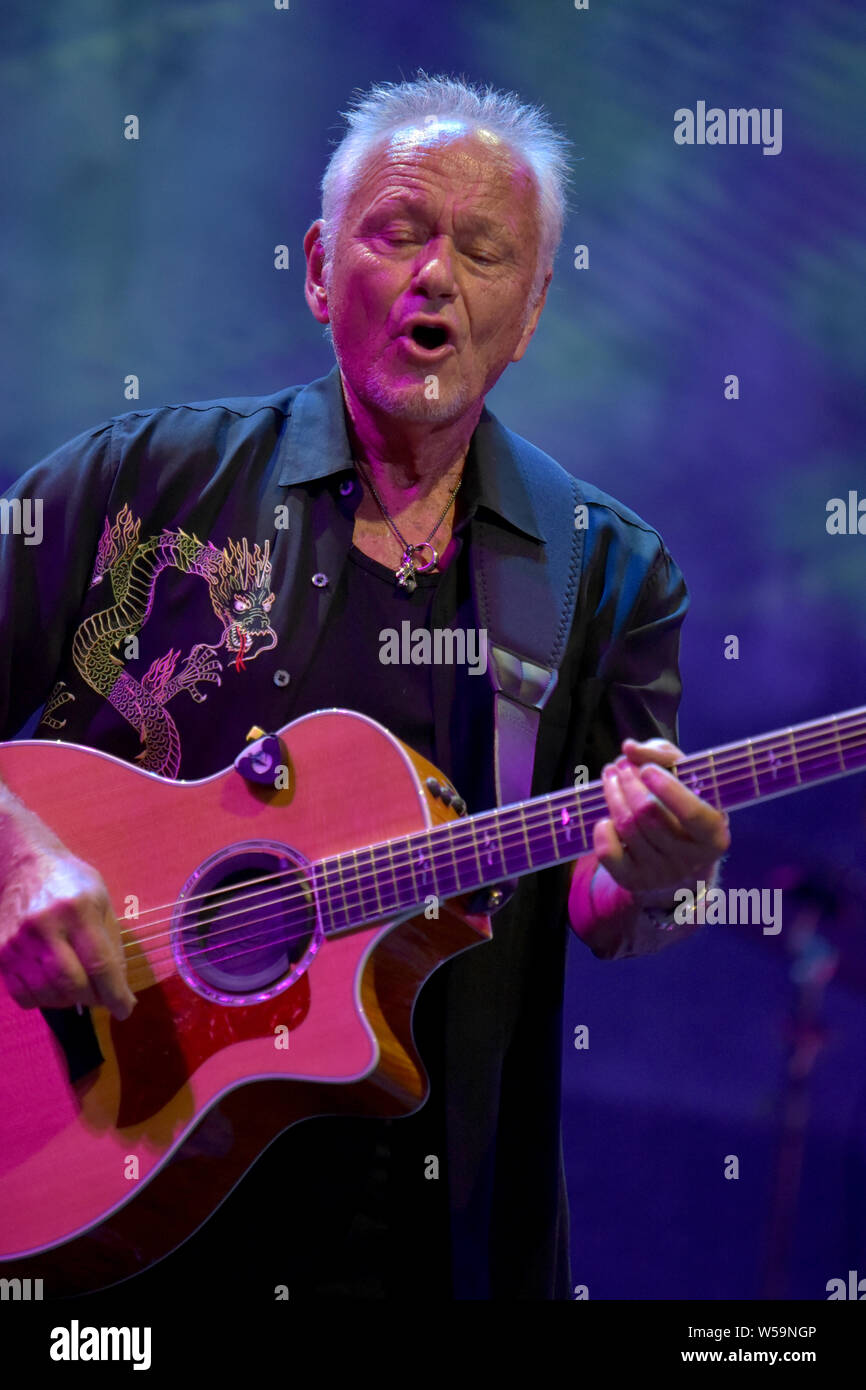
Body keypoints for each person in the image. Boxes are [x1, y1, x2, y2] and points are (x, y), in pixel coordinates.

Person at [0, 74, 729, 1301]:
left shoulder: (606, 572)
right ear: (318, 268)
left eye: (484, 251)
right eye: (398, 233)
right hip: (102, 1210)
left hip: (425, 1246)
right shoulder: (137, 480)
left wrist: (655, 879)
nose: (436, 275)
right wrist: (18, 854)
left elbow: (611, 906)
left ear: (532, 308)